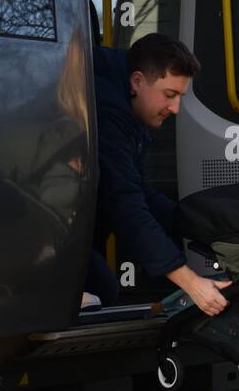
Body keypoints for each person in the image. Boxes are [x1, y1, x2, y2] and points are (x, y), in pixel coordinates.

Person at [88, 33, 231, 315]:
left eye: (180, 97)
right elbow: (125, 204)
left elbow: (138, 189)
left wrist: (200, 227)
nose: (175, 109)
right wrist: (191, 283)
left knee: (100, 287)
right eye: (170, 95)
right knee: (99, 288)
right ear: (137, 81)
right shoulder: (106, 112)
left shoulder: (129, 105)